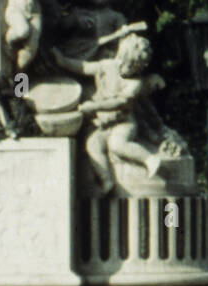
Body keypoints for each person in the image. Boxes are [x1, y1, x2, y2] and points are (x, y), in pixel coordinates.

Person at [53, 33, 165, 192]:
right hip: (102, 124)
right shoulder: (107, 66)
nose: (132, 70)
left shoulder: (135, 84)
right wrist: (63, 62)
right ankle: (106, 180)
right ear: (122, 56)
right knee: (92, 146)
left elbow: (120, 102)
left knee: (117, 144)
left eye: (138, 67)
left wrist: (94, 107)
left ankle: (149, 159)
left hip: (124, 123)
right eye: (130, 65)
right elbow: (84, 67)